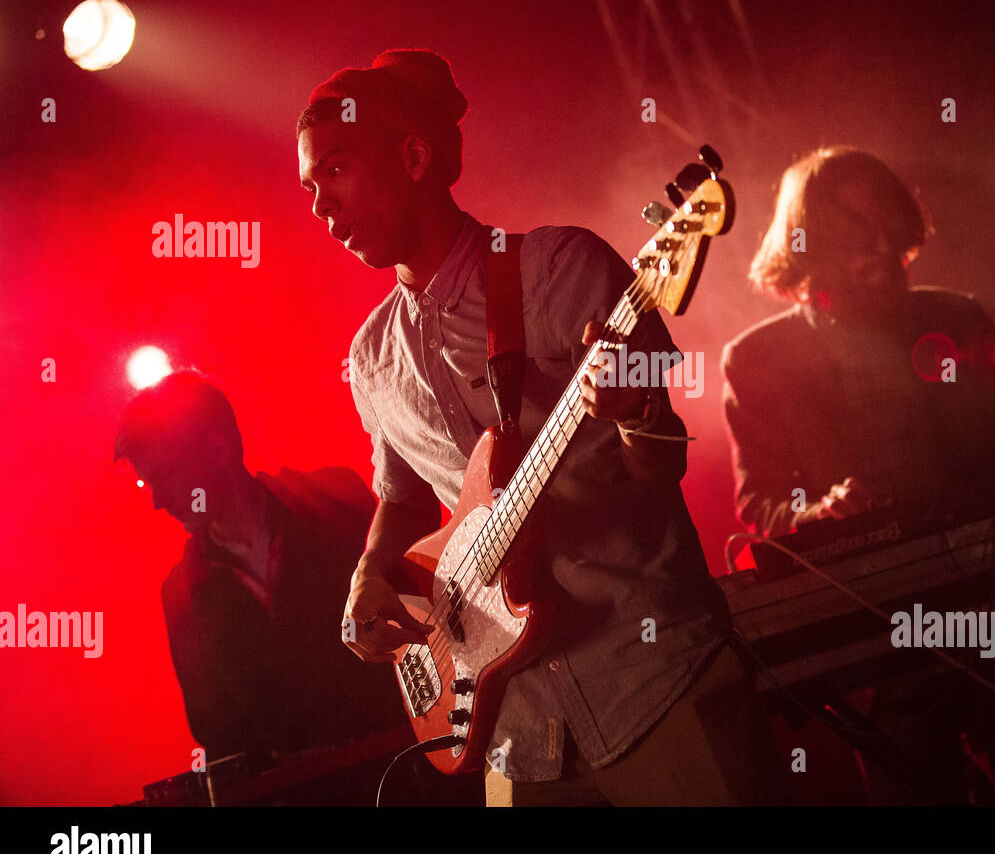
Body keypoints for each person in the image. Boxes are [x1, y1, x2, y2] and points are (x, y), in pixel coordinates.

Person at [295, 48, 785, 805]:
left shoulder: (557, 268)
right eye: (308, 187)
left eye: (333, 171)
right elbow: (402, 498)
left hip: (651, 680)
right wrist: (367, 576)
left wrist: (636, 412)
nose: (320, 207)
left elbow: (662, 471)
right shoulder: (369, 357)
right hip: (513, 733)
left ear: (414, 155)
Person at [722, 145, 995, 538]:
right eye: (858, 233)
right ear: (812, 244)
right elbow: (761, 503)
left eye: (888, 228)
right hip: (867, 591)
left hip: (992, 558)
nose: (881, 247)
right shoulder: (758, 359)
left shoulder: (953, 317)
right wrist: (817, 515)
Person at [114, 370, 409, 761]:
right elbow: (218, 734)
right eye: (145, 484)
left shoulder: (338, 500)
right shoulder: (179, 596)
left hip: (411, 770)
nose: (156, 501)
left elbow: (417, 615)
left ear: (219, 451)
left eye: (165, 476)